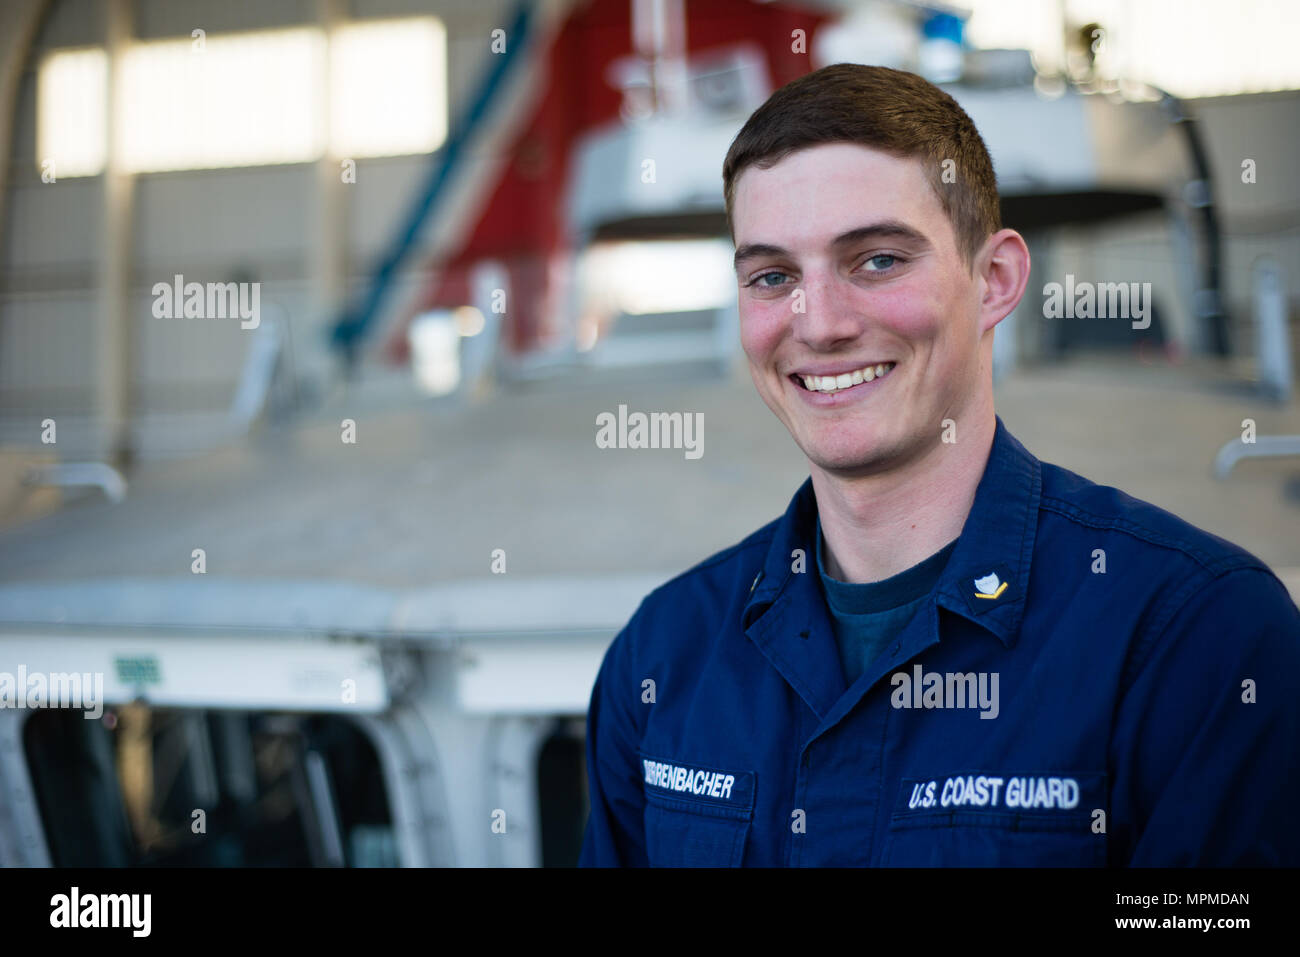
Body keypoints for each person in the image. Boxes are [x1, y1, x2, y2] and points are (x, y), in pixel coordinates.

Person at [578, 63, 1300, 866]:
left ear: (994, 280)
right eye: (773, 276)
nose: (817, 325)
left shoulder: (1194, 638)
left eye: (878, 259)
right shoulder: (661, 655)